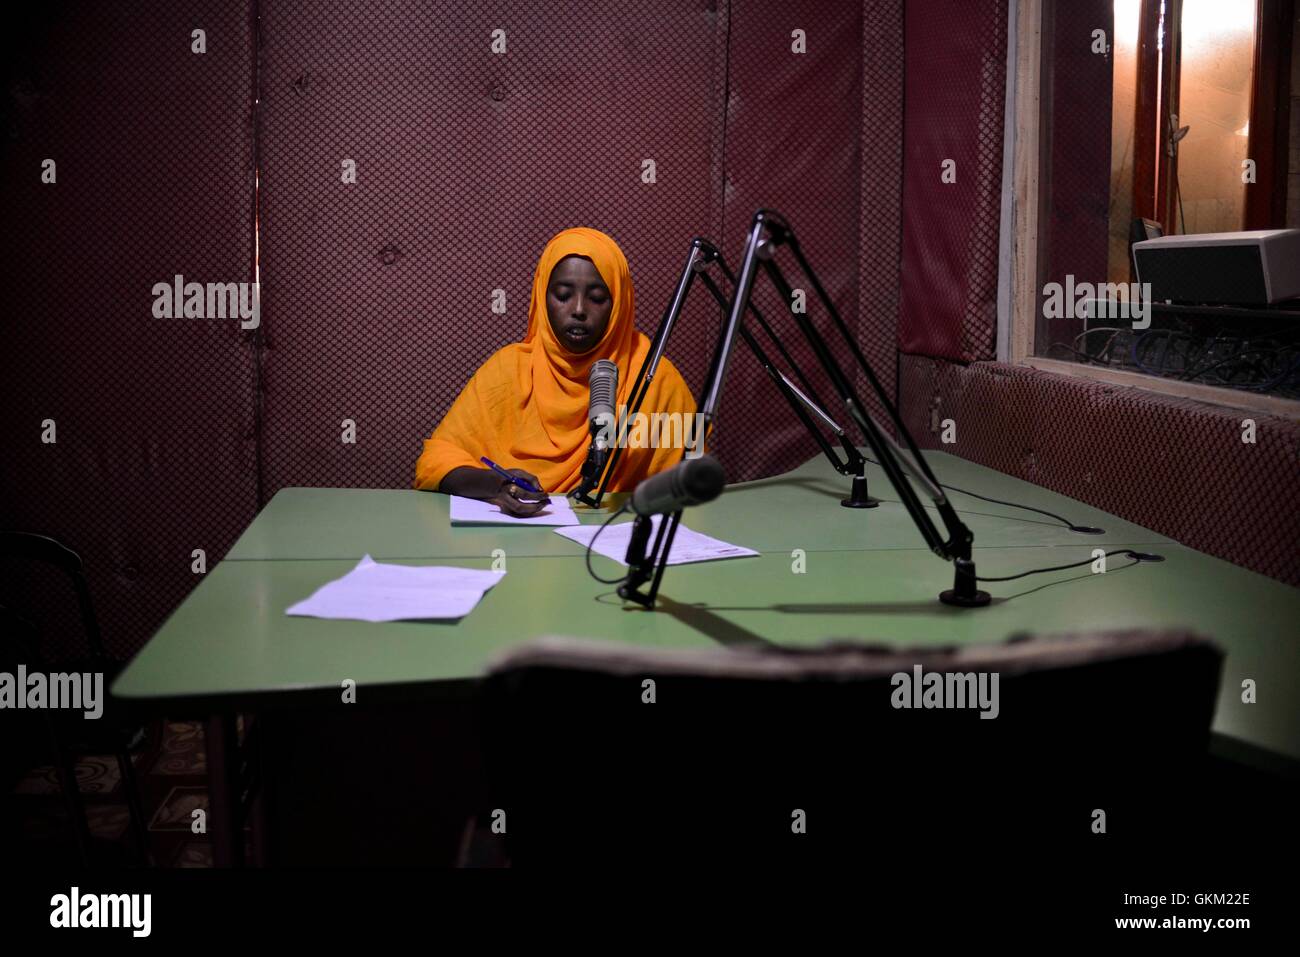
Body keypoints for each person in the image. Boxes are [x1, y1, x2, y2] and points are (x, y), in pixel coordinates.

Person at [414, 227, 698, 515]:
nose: (578, 309)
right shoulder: (507, 370)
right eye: (563, 295)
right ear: (541, 297)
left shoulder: (654, 377)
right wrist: (497, 486)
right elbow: (435, 461)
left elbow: (694, 480)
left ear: (619, 305)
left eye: (597, 298)